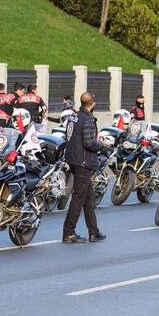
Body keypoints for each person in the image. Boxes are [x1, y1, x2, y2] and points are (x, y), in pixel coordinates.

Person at [62, 92, 105, 244]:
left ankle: (94, 232)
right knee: (78, 199)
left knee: (89, 198)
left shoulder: (74, 116)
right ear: (92, 103)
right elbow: (88, 143)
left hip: (74, 159)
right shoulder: (87, 119)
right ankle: (69, 233)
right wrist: (102, 145)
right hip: (83, 162)